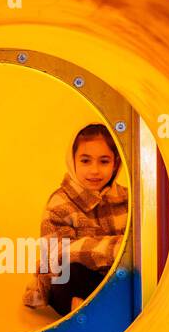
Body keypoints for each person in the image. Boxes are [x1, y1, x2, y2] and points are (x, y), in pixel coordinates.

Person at [23, 123, 129, 316]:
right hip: (80, 279)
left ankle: (111, 311)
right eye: (86, 161)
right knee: (66, 275)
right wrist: (114, 248)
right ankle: (82, 314)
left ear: (115, 164)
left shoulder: (127, 199)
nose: (95, 170)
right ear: (73, 161)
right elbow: (57, 254)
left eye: (104, 161)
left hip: (116, 279)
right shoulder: (60, 202)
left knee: (133, 278)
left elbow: (139, 247)